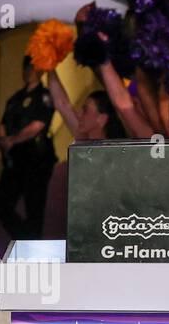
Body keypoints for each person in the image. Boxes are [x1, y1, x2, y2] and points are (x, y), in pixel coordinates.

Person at [41, 72, 123, 240]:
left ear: (102, 119)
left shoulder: (116, 155)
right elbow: (61, 103)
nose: (79, 114)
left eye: (85, 110)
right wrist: (48, 66)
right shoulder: (83, 141)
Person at [0, 56, 56, 241]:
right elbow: (3, 124)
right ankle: (26, 239)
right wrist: (3, 140)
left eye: (33, 67)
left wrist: (12, 140)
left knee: (34, 208)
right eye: (26, 67)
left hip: (36, 158)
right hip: (15, 158)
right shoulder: (15, 98)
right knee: (2, 204)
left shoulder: (44, 96)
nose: (29, 71)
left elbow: (37, 125)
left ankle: (32, 248)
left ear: (41, 70)